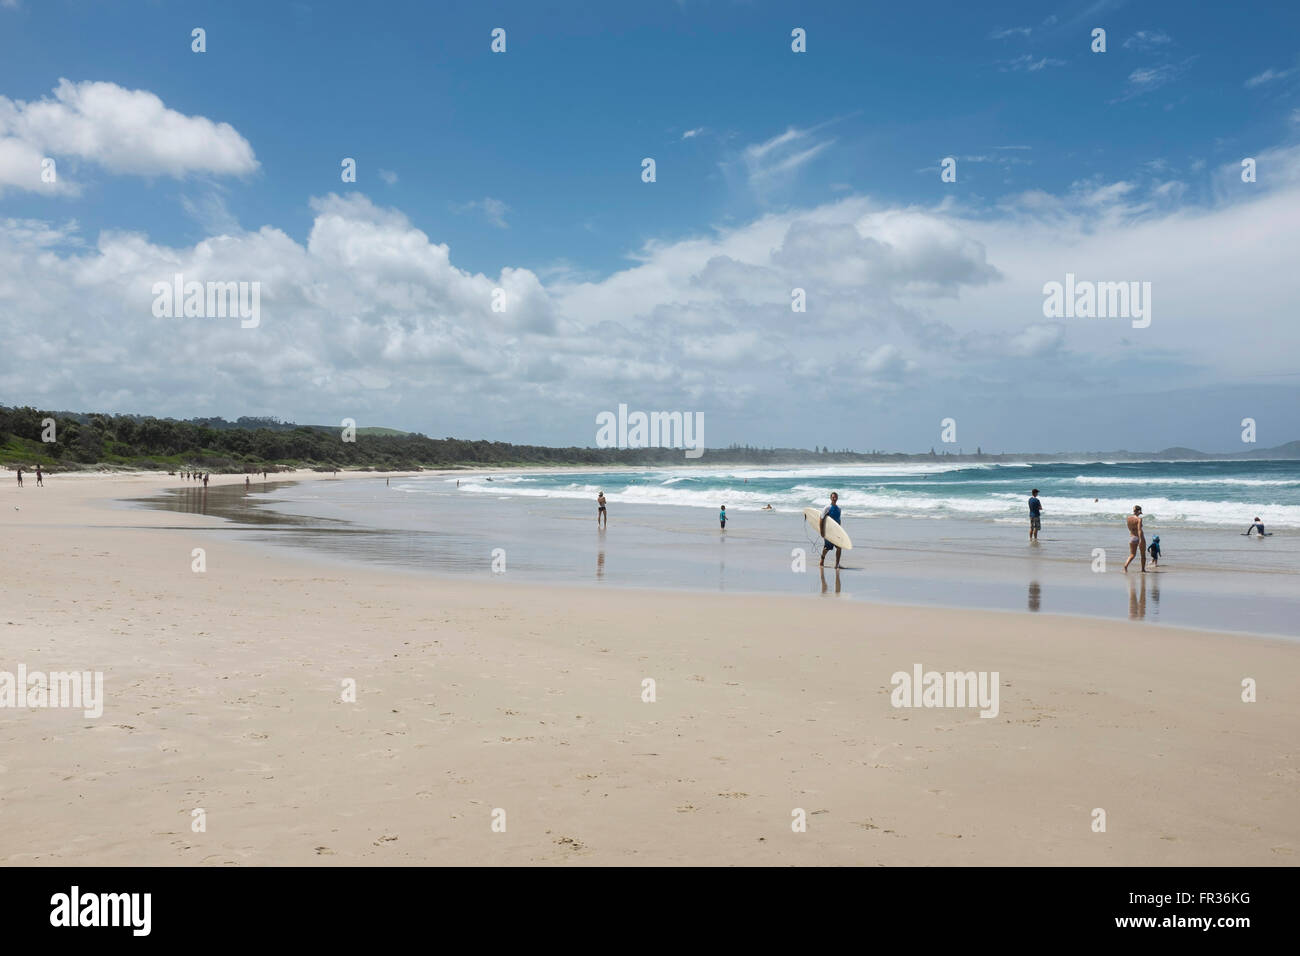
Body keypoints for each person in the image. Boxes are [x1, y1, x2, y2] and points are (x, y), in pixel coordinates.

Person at [819, 492, 843, 569]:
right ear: (830, 498)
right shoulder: (827, 508)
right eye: (833, 497)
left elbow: (839, 520)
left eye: (835, 497)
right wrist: (822, 531)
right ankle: (822, 558)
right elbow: (821, 519)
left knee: (839, 547)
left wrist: (840, 531)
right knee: (827, 548)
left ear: (837, 498)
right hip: (829, 531)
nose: (834, 498)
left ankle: (837, 564)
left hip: (836, 532)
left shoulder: (839, 509)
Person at [1123, 505, 1145, 572]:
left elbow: (1129, 528)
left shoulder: (1128, 518)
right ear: (1139, 511)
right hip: (1139, 537)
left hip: (1132, 537)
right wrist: (1141, 539)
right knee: (1143, 555)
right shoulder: (1139, 519)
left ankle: (1125, 566)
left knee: (1132, 554)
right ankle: (1143, 569)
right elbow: (1139, 530)